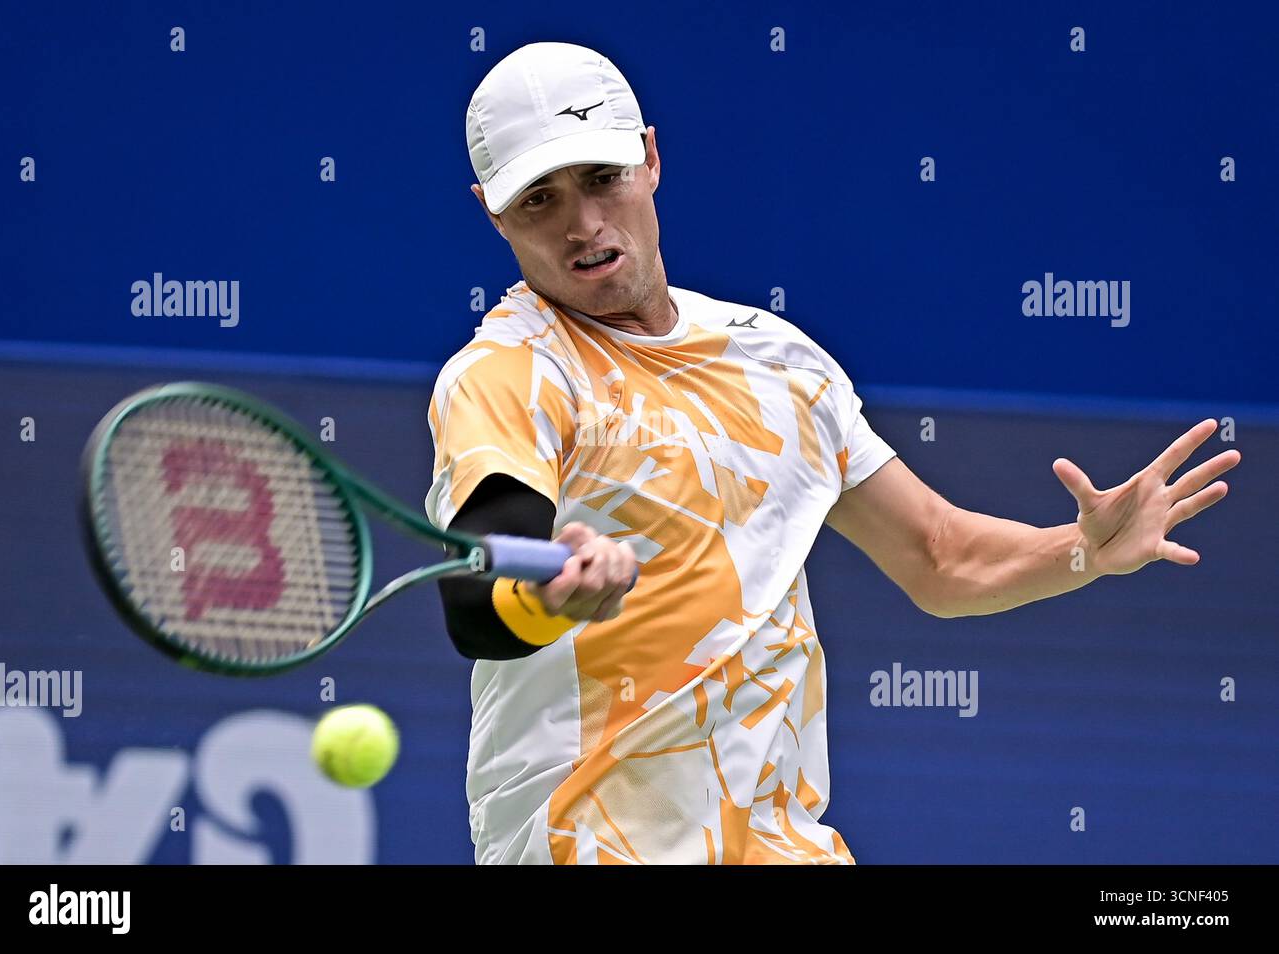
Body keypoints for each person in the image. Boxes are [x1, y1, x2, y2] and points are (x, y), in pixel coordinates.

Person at [425, 41, 1241, 865]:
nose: (583, 224)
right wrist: (551, 591)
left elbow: (938, 555)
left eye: (602, 177)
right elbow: (477, 595)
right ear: (494, 215)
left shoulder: (779, 361)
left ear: (650, 158)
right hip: (591, 849)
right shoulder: (507, 375)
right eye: (539, 200)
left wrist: (1079, 553)